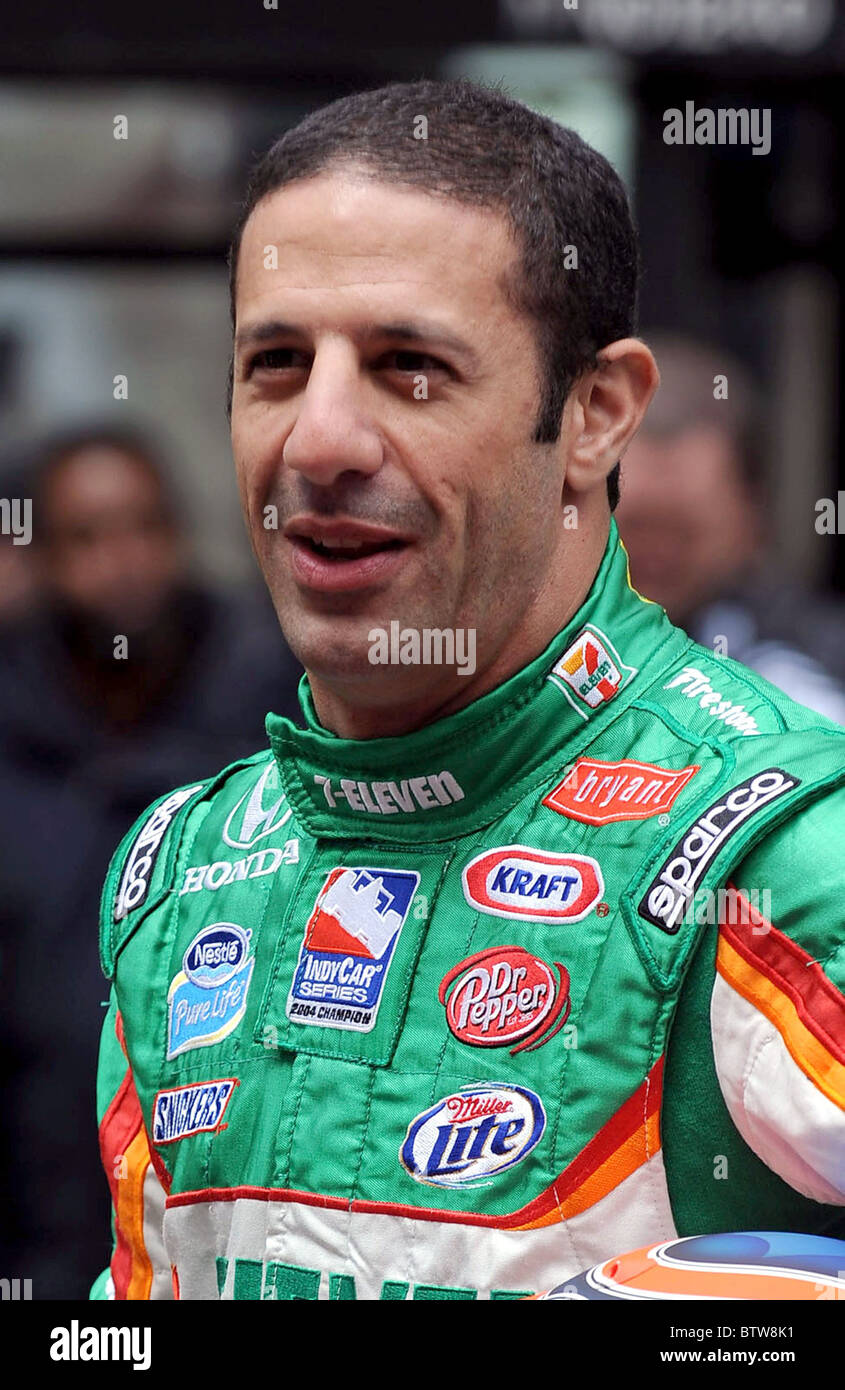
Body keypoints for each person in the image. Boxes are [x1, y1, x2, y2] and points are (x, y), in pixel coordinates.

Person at [92, 79, 845, 1302]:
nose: (319, 439)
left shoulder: (787, 864)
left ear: (596, 416)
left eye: (411, 367)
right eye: (276, 361)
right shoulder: (174, 872)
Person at [0, 424, 302, 1297]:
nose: (121, 562)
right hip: (42, 1230)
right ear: (42, 559)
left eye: (142, 527)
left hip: (232, 1219)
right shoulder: (14, 737)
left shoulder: (278, 711)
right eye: (86, 538)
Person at [615, 333, 845, 722]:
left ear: (752, 513)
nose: (654, 555)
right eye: (635, 527)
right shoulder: (530, 658)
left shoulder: (814, 674)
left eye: (680, 534)